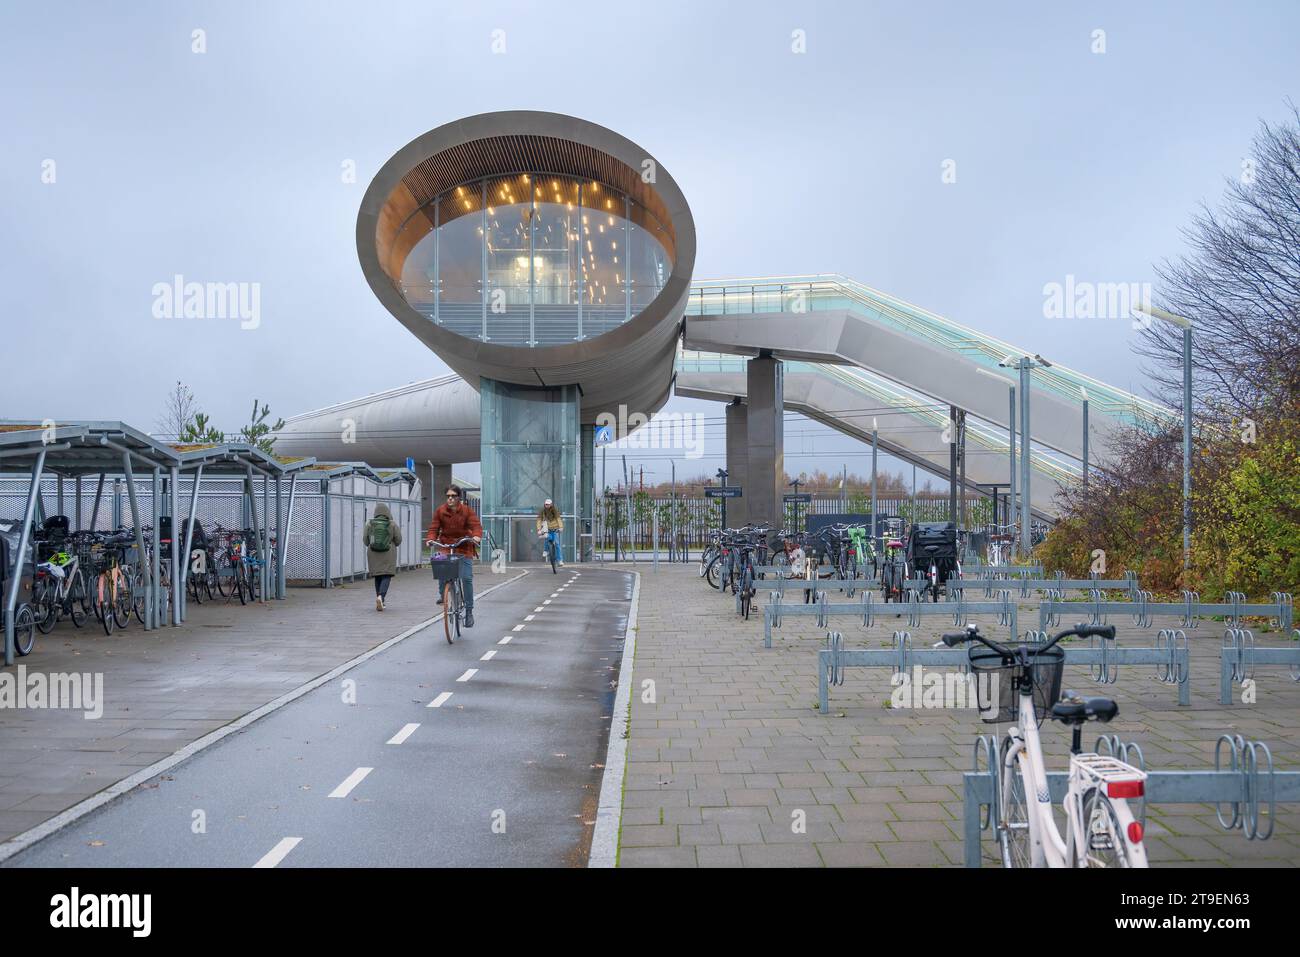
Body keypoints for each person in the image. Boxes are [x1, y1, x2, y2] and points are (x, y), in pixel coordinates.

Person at [426, 484, 482, 627]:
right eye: (448, 496)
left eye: (453, 496)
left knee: (466, 578)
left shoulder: (467, 511)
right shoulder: (440, 511)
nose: (450, 499)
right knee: (441, 567)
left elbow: (476, 526)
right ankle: (443, 594)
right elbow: (434, 528)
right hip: (447, 545)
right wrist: (430, 539)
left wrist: (476, 536)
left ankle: (469, 612)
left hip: (464, 546)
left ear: (459, 498)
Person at [363, 502, 402, 611]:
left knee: (378, 576)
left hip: (373, 554)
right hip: (388, 554)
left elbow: (366, 541)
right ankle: (381, 597)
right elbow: (398, 540)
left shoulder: (370, 524)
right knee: (386, 575)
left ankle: (380, 599)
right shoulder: (392, 524)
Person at [535, 498, 564, 566]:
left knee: (557, 544)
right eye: (546, 504)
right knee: (546, 537)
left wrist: (561, 527)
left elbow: (559, 520)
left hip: (554, 529)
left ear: (551, 504)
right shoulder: (542, 511)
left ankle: (559, 560)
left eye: (548, 504)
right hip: (547, 529)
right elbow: (539, 521)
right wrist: (539, 529)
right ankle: (546, 550)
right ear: (544, 504)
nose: (547, 505)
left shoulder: (555, 511)